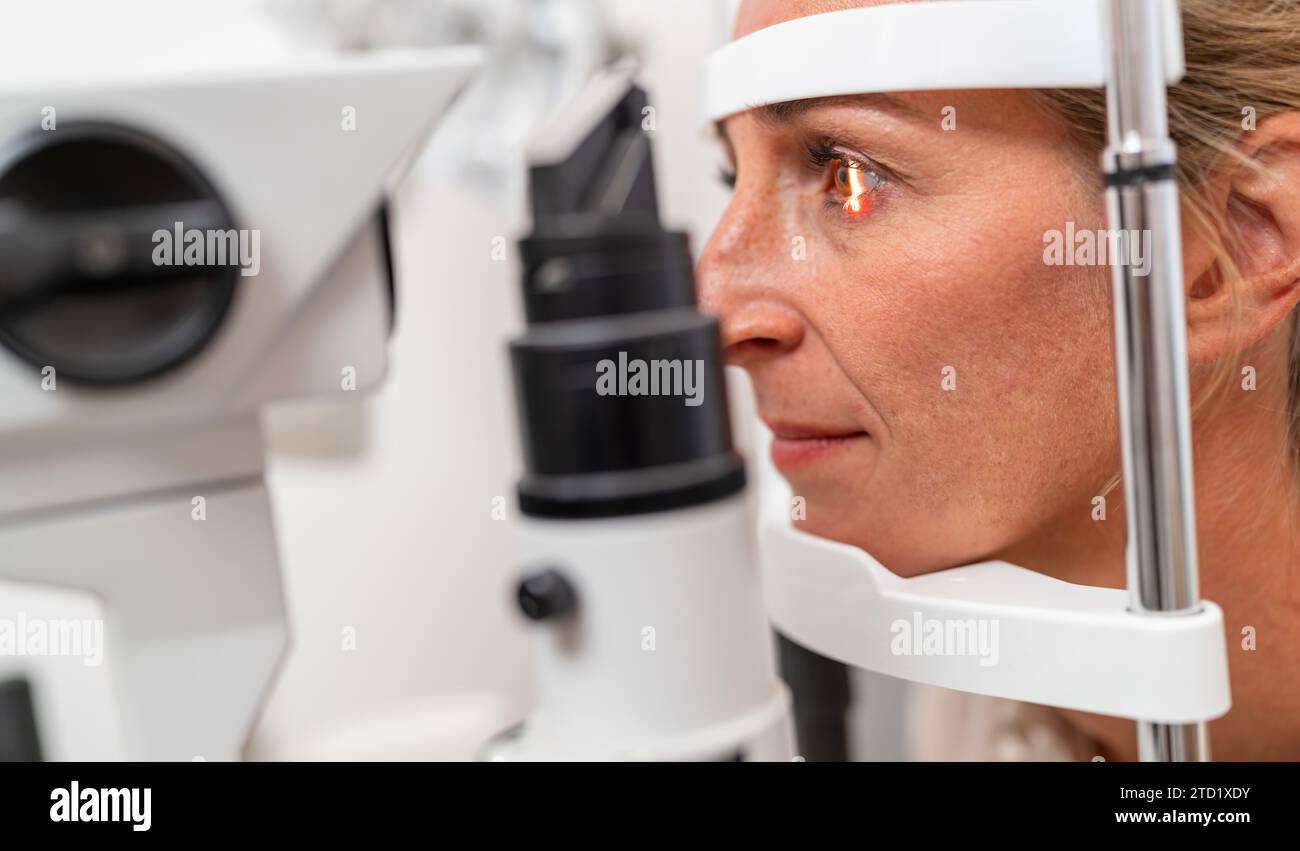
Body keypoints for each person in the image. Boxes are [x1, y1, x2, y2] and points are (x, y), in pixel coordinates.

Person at [698, 0, 1300, 760]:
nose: (715, 312)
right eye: (731, 175)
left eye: (849, 177)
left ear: (1235, 244)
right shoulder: (979, 693)